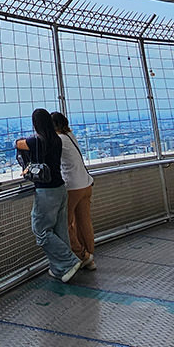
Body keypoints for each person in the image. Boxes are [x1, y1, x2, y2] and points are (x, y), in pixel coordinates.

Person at [15, 108, 81, 282]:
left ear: (36, 124)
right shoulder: (57, 140)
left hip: (46, 191)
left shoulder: (37, 141)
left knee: (41, 230)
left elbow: (18, 143)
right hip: (60, 188)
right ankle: (60, 269)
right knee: (60, 230)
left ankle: (68, 261)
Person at [52, 111, 96, 270]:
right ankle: (90, 257)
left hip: (72, 187)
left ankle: (81, 255)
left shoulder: (59, 139)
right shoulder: (70, 135)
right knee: (84, 222)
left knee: (65, 223)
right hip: (85, 183)